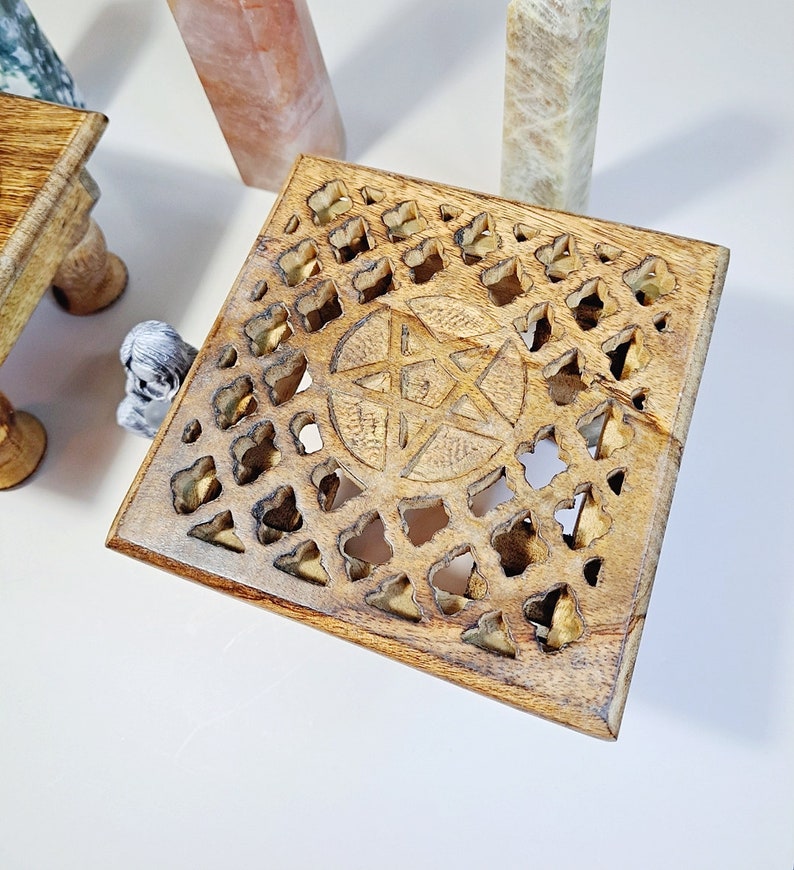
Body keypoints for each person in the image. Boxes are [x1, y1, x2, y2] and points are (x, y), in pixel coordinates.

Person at [117, 320, 197, 438]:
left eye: (161, 375)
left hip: (192, 405)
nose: (160, 380)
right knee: (125, 414)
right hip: (167, 416)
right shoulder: (137, 382)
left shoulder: (191, 361)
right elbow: (135, 396)